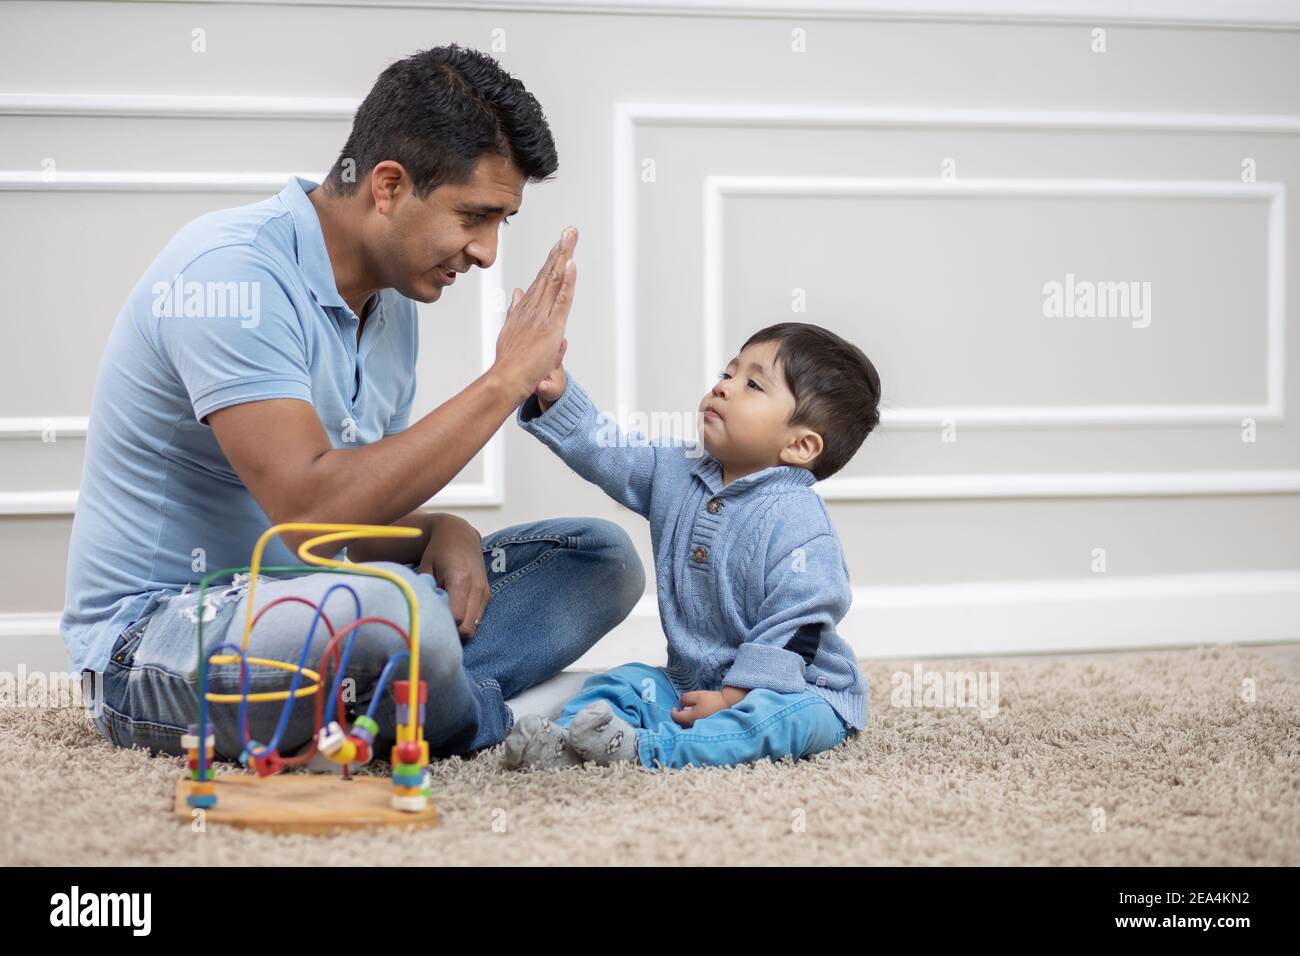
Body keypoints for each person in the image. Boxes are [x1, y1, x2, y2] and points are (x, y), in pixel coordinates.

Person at [62, 45, 644, 762]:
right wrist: (504, 382)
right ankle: (488, 721)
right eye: (475, 216)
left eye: (502, 223)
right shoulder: (230, 274)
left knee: (599, 559)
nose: (489, 253)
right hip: (156, 639)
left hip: (313, 604)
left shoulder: (394, 307)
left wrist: (438, 528)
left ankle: (397, 712)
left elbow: (350, 517)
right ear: (389, 185)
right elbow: (309, 509)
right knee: (403, 624)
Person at [502, 322, 881, 770]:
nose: (723, 388)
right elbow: (615, 455)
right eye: (728, 373)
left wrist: (734, 696)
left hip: (795, 689)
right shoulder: (677, 471)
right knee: (620, 685)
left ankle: (648, 750)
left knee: (776, 722)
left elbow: (801, 623)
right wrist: (557, 394)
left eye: (753, 384)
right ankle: (568, 742)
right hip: (688, 681)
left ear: (800, 445)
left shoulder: (798, 520)